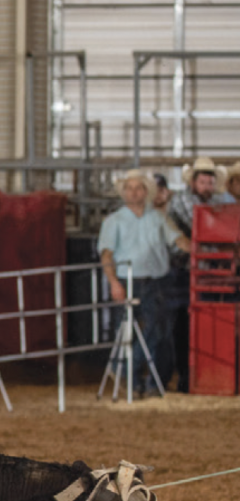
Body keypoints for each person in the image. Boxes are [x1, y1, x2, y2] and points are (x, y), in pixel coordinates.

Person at [98, 169, 181, 399]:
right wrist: (114, 282)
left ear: (146, 192)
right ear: (124, 193)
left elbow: (177, 240)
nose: (134, 193)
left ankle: (129, 373)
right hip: (127, 279)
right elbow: (106, 255)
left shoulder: (159, 218)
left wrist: (197, 246)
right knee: (131, 331)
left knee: (155, 331)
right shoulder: (114, 221)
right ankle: (137, 381)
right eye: (130, 188)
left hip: (154, 280)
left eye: (139, 188)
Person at [163, 157, 237, 391]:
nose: (207, 186)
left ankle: (196, 378)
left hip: (205, 271)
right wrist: (229, 247)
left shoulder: (217, 201)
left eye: (210, 182)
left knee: (204, 323)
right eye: (203, 181)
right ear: (193, 183)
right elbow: (203, 228)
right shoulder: (185, 200)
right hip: (184, 272)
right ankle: (187, 377)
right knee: (184, 326)